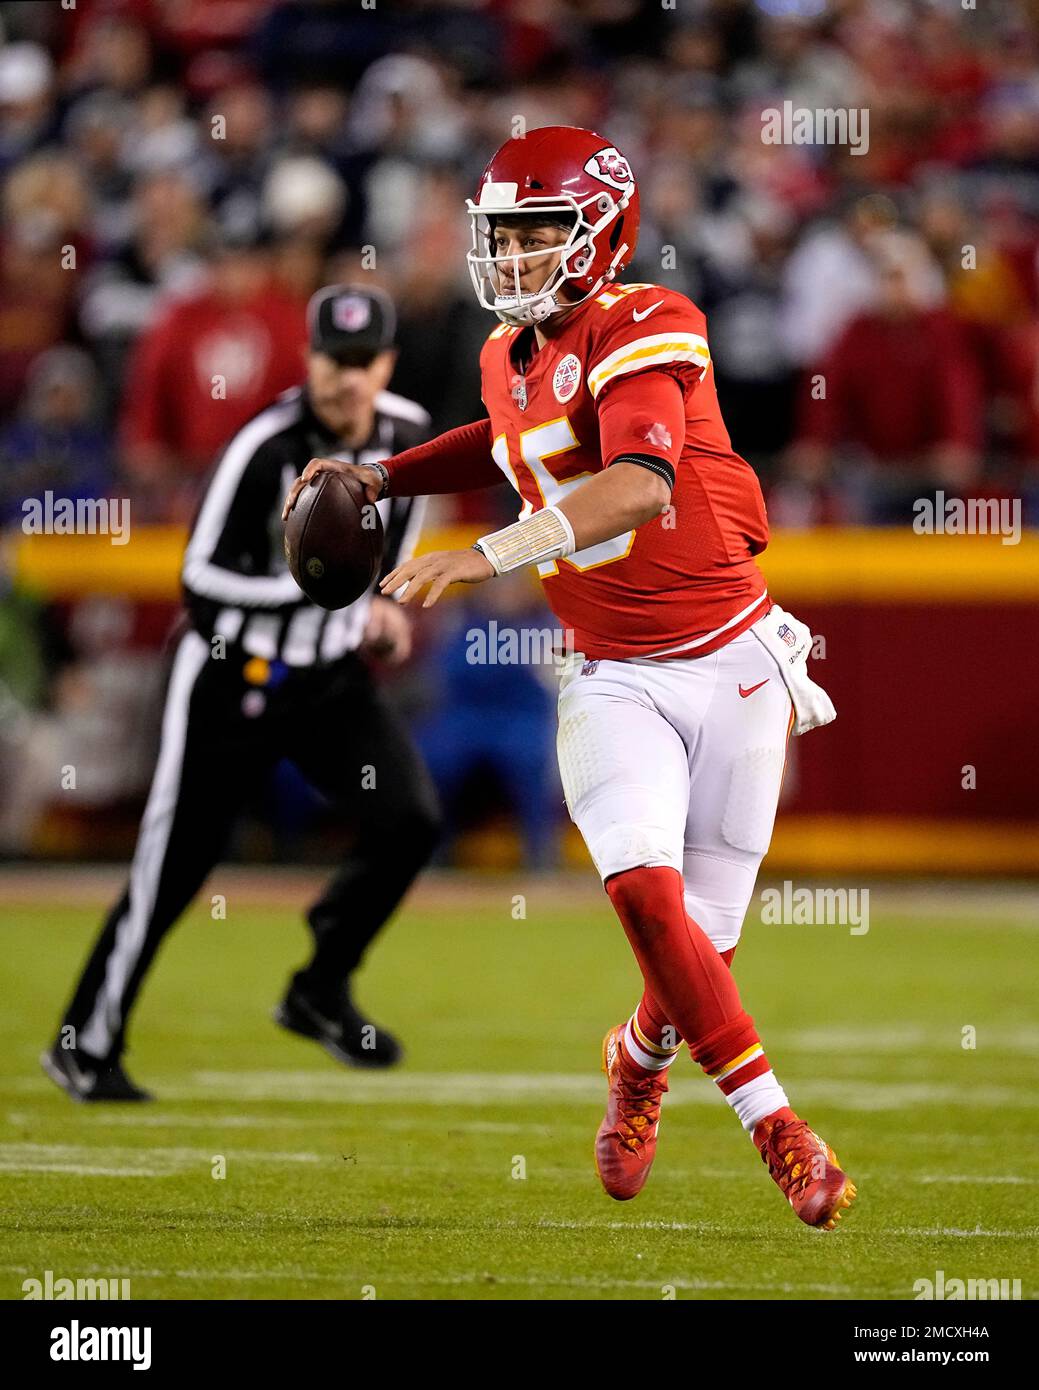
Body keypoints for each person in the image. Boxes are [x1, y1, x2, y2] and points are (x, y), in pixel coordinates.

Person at [285, 128, 856, 1231]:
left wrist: (481, 553)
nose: (513, 253)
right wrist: (384, 476)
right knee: (645, 894)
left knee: (698, 953)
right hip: (611, 677)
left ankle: (637, 1063)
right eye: (502, 233)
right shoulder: (508, 354)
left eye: (537, 230)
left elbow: (638, 484)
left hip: (733, 663)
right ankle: (778, 1127)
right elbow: (501, 441)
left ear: (602, 230)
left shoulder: (651, 322)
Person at [43, 285, 440, 1102]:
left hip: (329, 677)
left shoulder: (405, 436)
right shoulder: (265, 444)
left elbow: (387, 558)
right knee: (173, 868)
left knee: (409, 821)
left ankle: (319, 984)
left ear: (387, 365)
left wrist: (380, 612)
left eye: (365, 362)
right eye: (335, 359)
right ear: (310, 358)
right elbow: (196, 578)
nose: (348, 379)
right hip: (231, 674)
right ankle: (85, 1044)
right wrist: (307, 591)